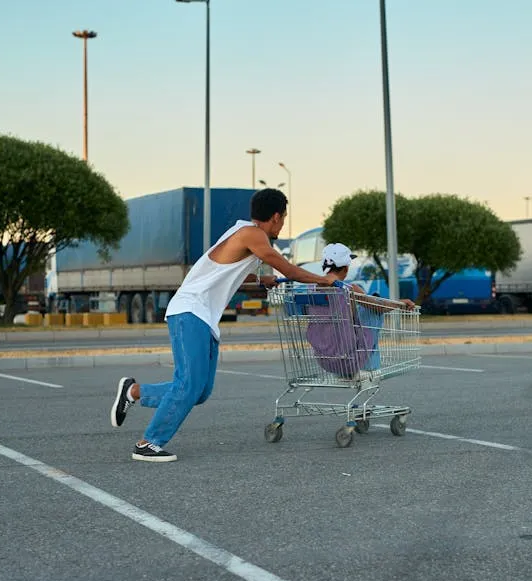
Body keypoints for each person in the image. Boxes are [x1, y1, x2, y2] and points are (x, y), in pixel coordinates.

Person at [109, 188, 336, 462]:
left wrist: (258, 281)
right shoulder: (254, 234)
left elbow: (228, 275)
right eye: (284, 218)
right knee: (189, 384)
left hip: (203, 316)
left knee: (200, 391)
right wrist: (323, 280)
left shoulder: (244, 234)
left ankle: (133, 392)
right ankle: (148, 443)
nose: (283, 224)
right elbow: (286, 268)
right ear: (276, 217)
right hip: (190, 311)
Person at [303, 243, 415, 379]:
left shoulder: (312, 289)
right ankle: (369, 368)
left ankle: (343, 374)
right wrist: (400, 303)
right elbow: (380, 307)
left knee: (354, 311)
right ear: (345, 267)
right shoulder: (349, 289)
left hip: (324, 360)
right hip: (348, 359)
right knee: (372, 308)